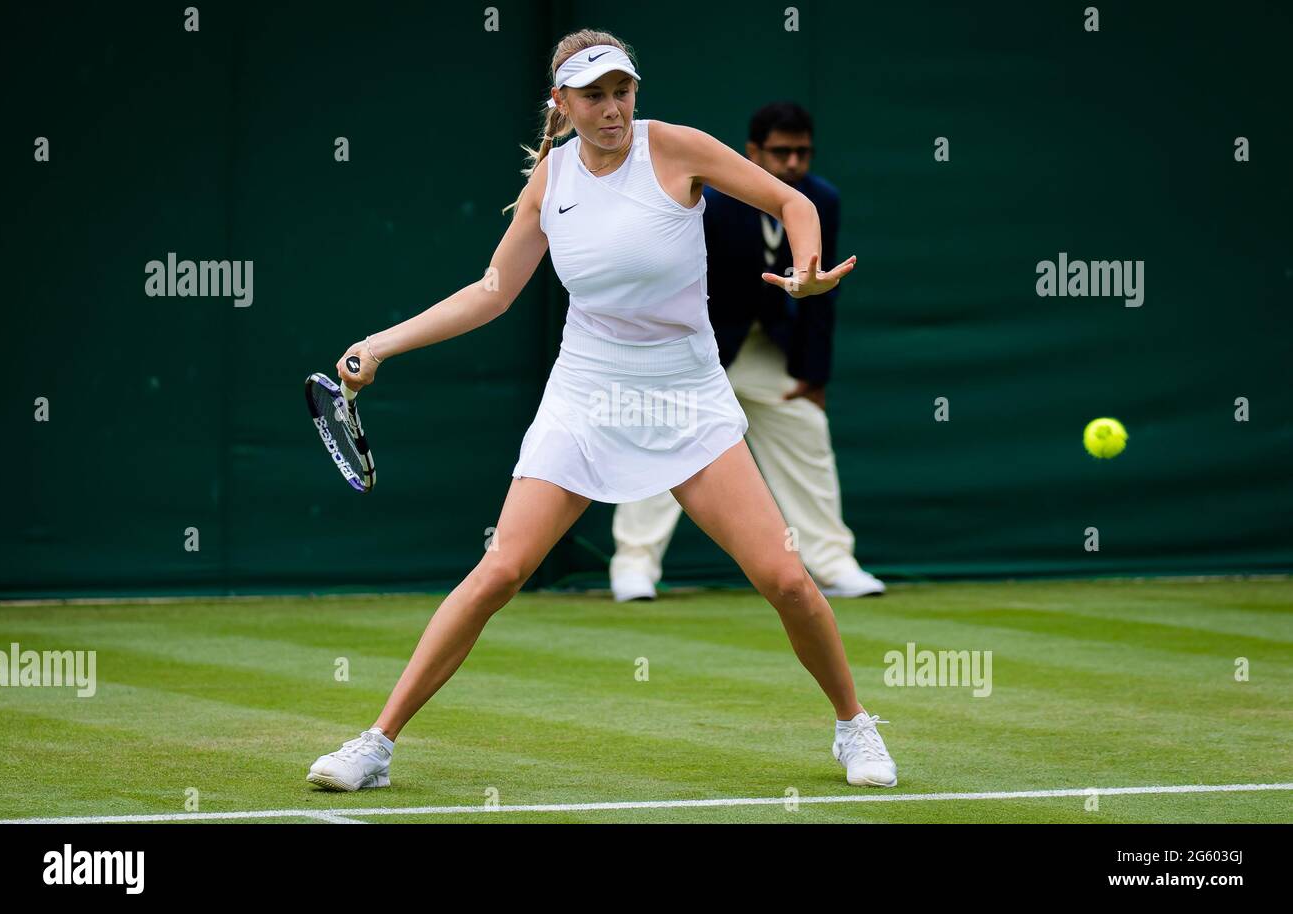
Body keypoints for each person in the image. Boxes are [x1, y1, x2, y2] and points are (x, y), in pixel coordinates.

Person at [306, 30, 897, 793]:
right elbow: (493, 290)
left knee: (783, 577)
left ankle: (854, 725)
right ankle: (376, 744)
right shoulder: (550, 182)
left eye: (622, 90)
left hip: (687, 394)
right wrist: (382, 343)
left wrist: (808, 268)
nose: (613, 107)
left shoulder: (677, 149)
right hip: (586, 392)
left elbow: (789, 199)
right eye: (594, 94)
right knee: (501, 569)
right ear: (563, 104)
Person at [609, 102, 885, 602]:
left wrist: (813, 375)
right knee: (660, 444)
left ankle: (833, 562)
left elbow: (825, 292)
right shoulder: (707, 200)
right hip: (697, 351)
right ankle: (633, 565)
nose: (794, 163)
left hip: (769, 352)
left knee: (807, 430)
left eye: (803, 152)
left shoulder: (823, 199)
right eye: (781, 152)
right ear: (753, 152)